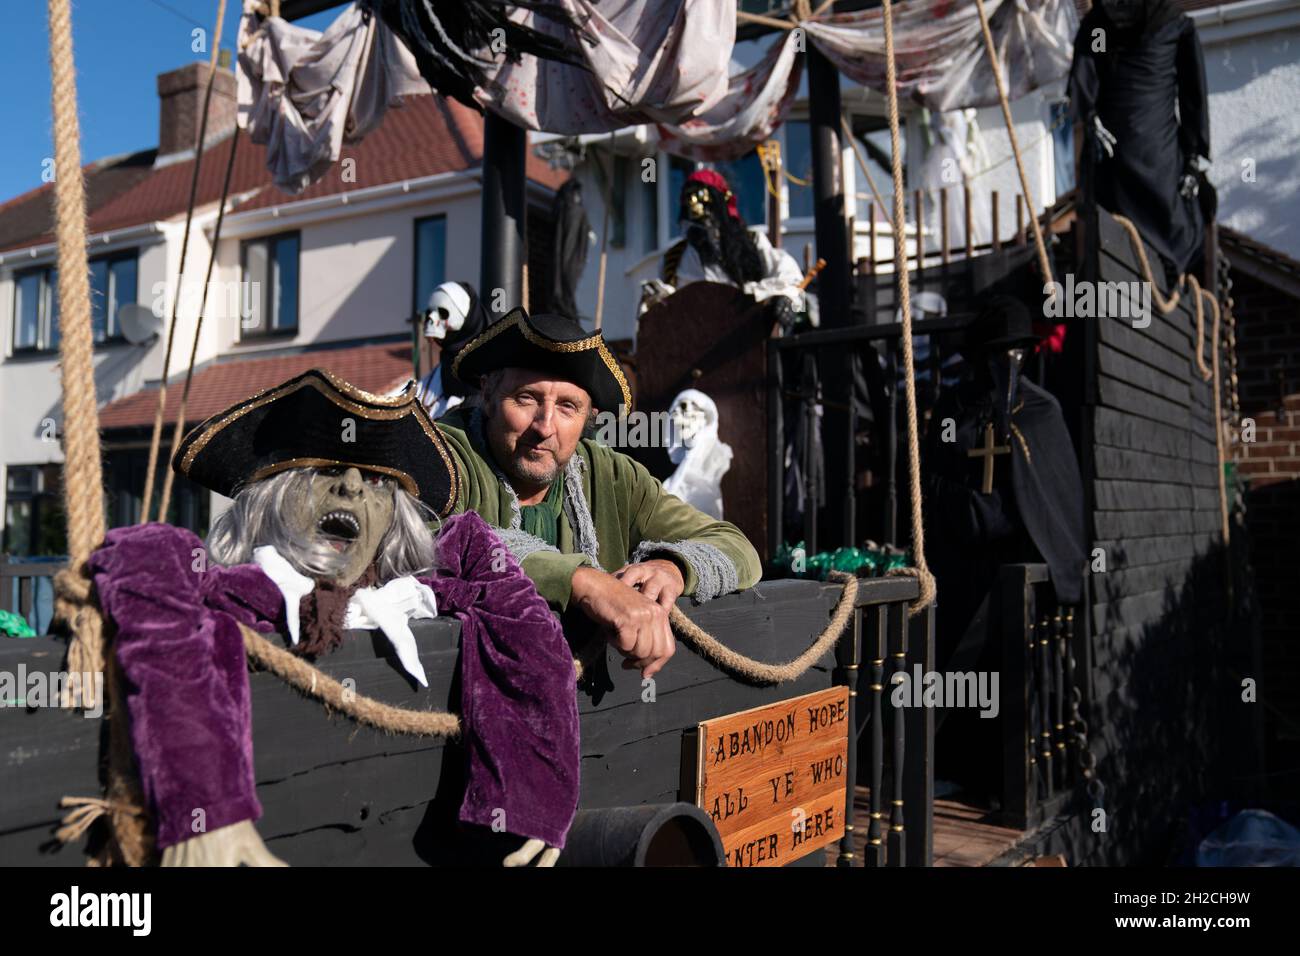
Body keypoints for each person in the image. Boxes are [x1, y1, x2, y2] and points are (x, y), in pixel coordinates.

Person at [89, 369, 579, 865]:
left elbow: (503, 593)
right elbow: (144, 553)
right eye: (324, 472)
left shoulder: (414, 591)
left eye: (372, 480)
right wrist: (202, 803)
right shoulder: (214, 591)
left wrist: (534, 789)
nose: (350, 490)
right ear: (272, 498)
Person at [440, 308, 764, 679]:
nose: (545, 427)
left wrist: (673, 567)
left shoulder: (611, 475)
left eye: (567, 407)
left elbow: (738, 549)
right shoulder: (444, 454)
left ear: (589, 415)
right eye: (526, 398)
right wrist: (585, 582)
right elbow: (437, 538)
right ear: (488, 393)